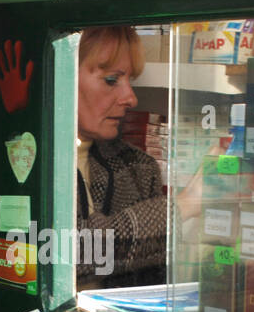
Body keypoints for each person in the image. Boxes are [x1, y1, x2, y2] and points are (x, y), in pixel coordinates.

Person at [75, 26, 200, 289]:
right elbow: (70, 252)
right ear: (61, 72)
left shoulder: (138, 169)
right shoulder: (25, 163)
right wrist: (182, 207)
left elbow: (153, 283)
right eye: (111, 80)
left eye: (130, 80)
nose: (130, 98)